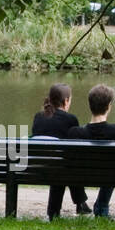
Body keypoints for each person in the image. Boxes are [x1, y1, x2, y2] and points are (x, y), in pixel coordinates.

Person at [31, 83, 90, 219]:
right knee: (66, 164)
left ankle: (57, 211)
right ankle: (80, 203)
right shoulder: (71, 119)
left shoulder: (38, 116)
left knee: (59, 163)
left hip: (36, 168)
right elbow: (74, 149)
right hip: (60, 170)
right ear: (66, 101)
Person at [68, 84, 115, 218]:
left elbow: (69, 161)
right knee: (113, 168)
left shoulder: (75, 133)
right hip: (109, 177)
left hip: (81, 176)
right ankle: (102, 205)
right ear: (109, 106)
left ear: (90, 105)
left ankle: (93, 204)